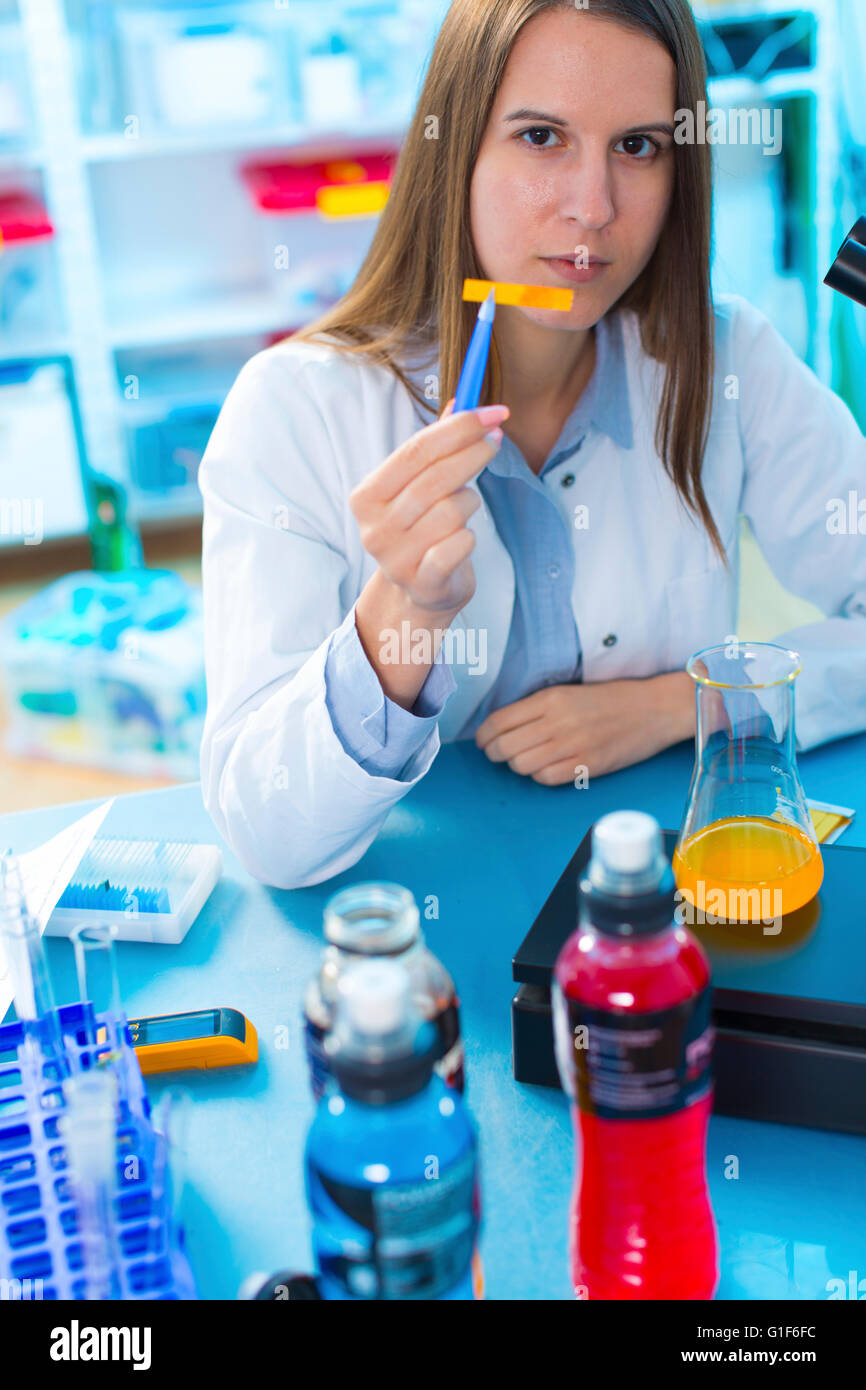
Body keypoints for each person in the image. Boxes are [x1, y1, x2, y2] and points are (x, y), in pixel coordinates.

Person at [198, 0, 866, 890]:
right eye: (542, 136)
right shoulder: (293, 409)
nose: (592, 208)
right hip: (425, 920)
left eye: (638, 147)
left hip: (661, 896)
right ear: (456, 150)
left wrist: (678, 706)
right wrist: (403, 611)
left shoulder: (725, 356)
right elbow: (270, 835)